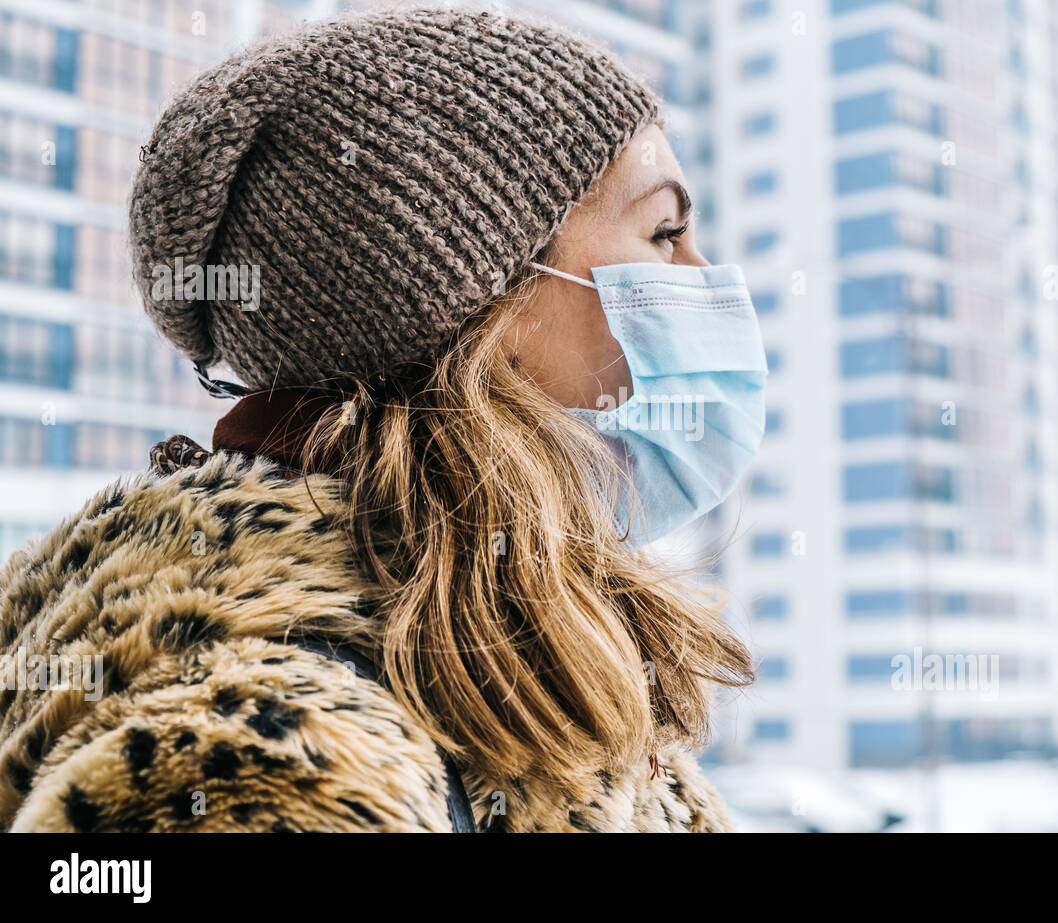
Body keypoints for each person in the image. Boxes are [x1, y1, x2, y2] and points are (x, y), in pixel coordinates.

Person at [0, 7, 767, 832]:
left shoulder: (504, 664)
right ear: (492, 300)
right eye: (664, 231)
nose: (705, 274)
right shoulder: (275, 765)